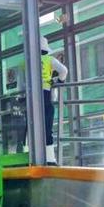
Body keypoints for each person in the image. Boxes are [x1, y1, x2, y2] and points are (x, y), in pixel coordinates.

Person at [40, 36, 68, 165]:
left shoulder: (27, 62)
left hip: (30, 98)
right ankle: (50, 159)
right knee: (48, 128)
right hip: (45, 95)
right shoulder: (49, 60)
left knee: (35, 129)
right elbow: (64, 71)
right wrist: (60, 81)